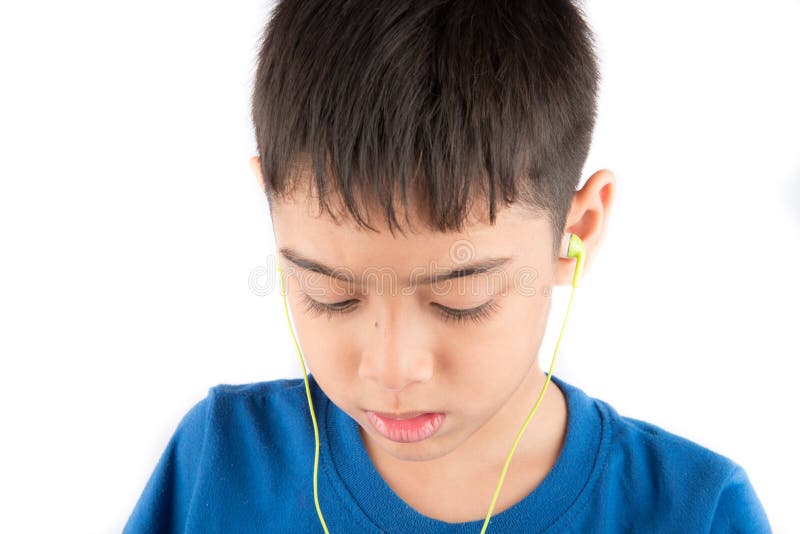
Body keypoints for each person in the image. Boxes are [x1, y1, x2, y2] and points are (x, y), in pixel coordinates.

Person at [123, 1, 771, 532]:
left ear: (576, 232)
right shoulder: (219, 465)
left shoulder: (695, 513)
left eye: (462, 300)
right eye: (329, 294)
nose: (391, 369)